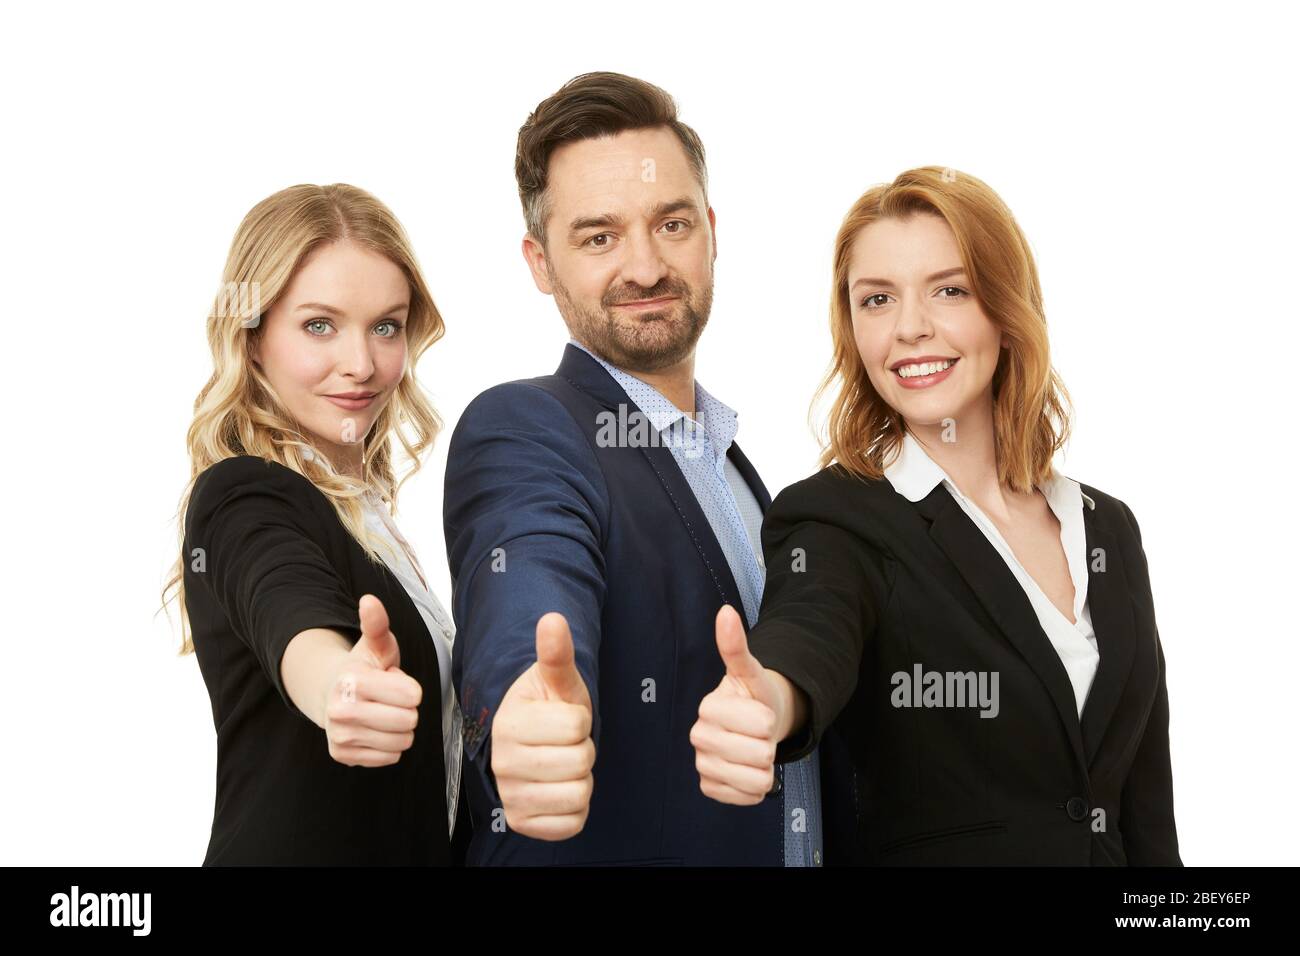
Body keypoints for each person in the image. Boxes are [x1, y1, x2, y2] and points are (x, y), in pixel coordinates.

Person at [690, 167, 1181, 865]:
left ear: (1006, 310)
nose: (911, 329)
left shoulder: (1107, 527)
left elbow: (1146, 818)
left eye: (949, 290)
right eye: (878, 300)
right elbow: (809, 632)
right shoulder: (838, 517)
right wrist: (768, 700)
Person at [442, 72, 821, 865]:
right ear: (539, 262)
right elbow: (528, 582)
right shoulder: (527, 429)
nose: (644, 268)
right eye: (598, 237)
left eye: (671, 224)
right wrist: (524, 707)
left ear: (711, 231)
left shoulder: (744, 479)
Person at [164, 183, 468, 865]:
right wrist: (340, 689)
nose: (361, 364)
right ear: (253, 335)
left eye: (385, 326)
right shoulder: (244, 496)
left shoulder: (362, 517)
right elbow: (290, 612)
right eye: (319, 325)